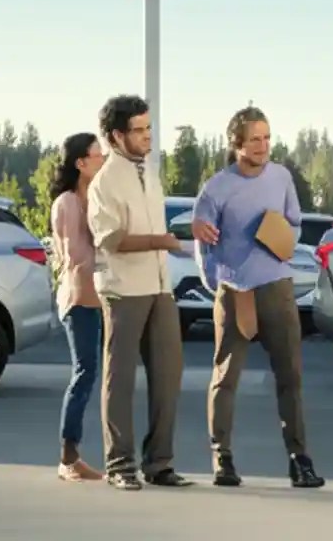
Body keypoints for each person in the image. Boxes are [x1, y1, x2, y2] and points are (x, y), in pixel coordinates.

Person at [191, 106, 324, 489]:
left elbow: (295, 224)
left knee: (291, 376)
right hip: (236, 292)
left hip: (277, 287)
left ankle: (300, 461)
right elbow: (204, 245)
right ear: (237, 144)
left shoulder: (281, 178)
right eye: (255, 139)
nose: (263, 146)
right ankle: (223, 459)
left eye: (267, 138)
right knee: (226, 377)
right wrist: (219, 284)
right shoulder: (217, 188)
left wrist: (281, 237)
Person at [86, 94, 192, 491]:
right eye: (140, 130)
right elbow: (110, 240)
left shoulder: (150, 172)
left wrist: (161, 247)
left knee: (168, 376)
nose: (148, 136)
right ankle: (120, 465)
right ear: (116, 135)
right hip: (123, 290)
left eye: (150, 128)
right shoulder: (105, 182)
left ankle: (159, 464)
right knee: (121, 379)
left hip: (161, 288)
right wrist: (160, 241)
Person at [49, 132, 106, 482]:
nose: (103, 161)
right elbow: (74, 256)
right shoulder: (68, 203)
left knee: (95, 372)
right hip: (79, 297)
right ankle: (69, 457)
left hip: (100, 295)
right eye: (97, 156)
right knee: (84, 372)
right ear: (81, 163)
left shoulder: (95, 196)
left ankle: (77, 457)